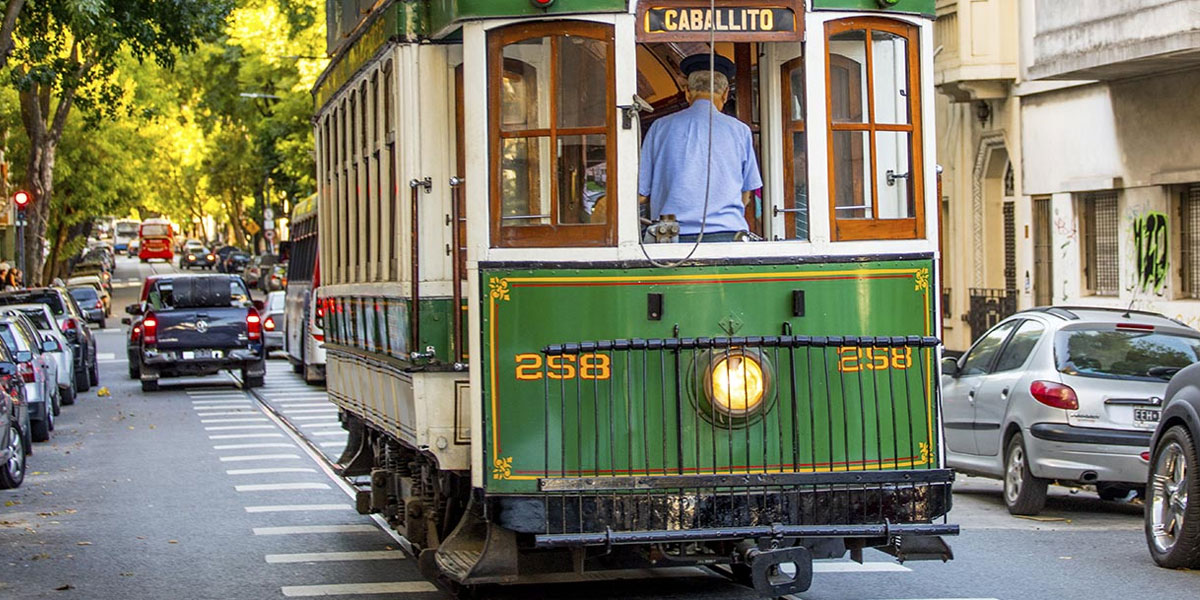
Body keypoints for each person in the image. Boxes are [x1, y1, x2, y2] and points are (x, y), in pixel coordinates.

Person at [637, 53, 762, 242]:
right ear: (726, 93)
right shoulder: (740, 131)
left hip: (670, 235)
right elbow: (747, 193)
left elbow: (641, 194)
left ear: (687, 92)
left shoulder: (660, 128)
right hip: (728, 235)